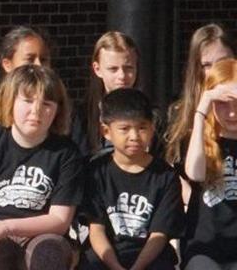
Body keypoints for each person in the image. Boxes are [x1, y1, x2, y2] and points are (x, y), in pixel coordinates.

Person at [0, 64, 83, 270]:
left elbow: (60, 220)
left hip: (42, 235)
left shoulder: (66, 153)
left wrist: (7, 226)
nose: (36, 111)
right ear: (10, 101)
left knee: (49, 253)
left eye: (46, 103)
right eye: (28, 101)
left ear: (58, 110)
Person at [81, 88, 183, 270]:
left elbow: (159, 234)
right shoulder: (96, 172)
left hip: (150, 256)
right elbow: (96, 229)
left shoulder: (166, 176)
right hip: (106, 254)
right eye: (124, 129)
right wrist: (115, 266)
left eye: (142, 128)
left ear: (152, 128)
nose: (134, 136)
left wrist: (137, 268)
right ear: (106, 131)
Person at [180, 57, 237, 270]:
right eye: (222, 103)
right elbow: (195, 173)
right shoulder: (199, 139)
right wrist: (200, 114)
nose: (232, 113)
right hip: (204, 247)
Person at [165, 24, 237, 170]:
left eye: (222, 61)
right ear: (197, 69)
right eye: (207, 65)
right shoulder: (181, 114)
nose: (216, 70)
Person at [75, 32, 157, 158]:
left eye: (128, 68)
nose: (122, 76)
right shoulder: (82, 117)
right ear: (97, 69)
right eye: (113, 69)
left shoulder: (153, 115)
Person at [0, 25, 53, 138]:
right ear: (7, 65)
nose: (39, 65)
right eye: (30, 59)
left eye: (44, 60)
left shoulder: (60, 106)